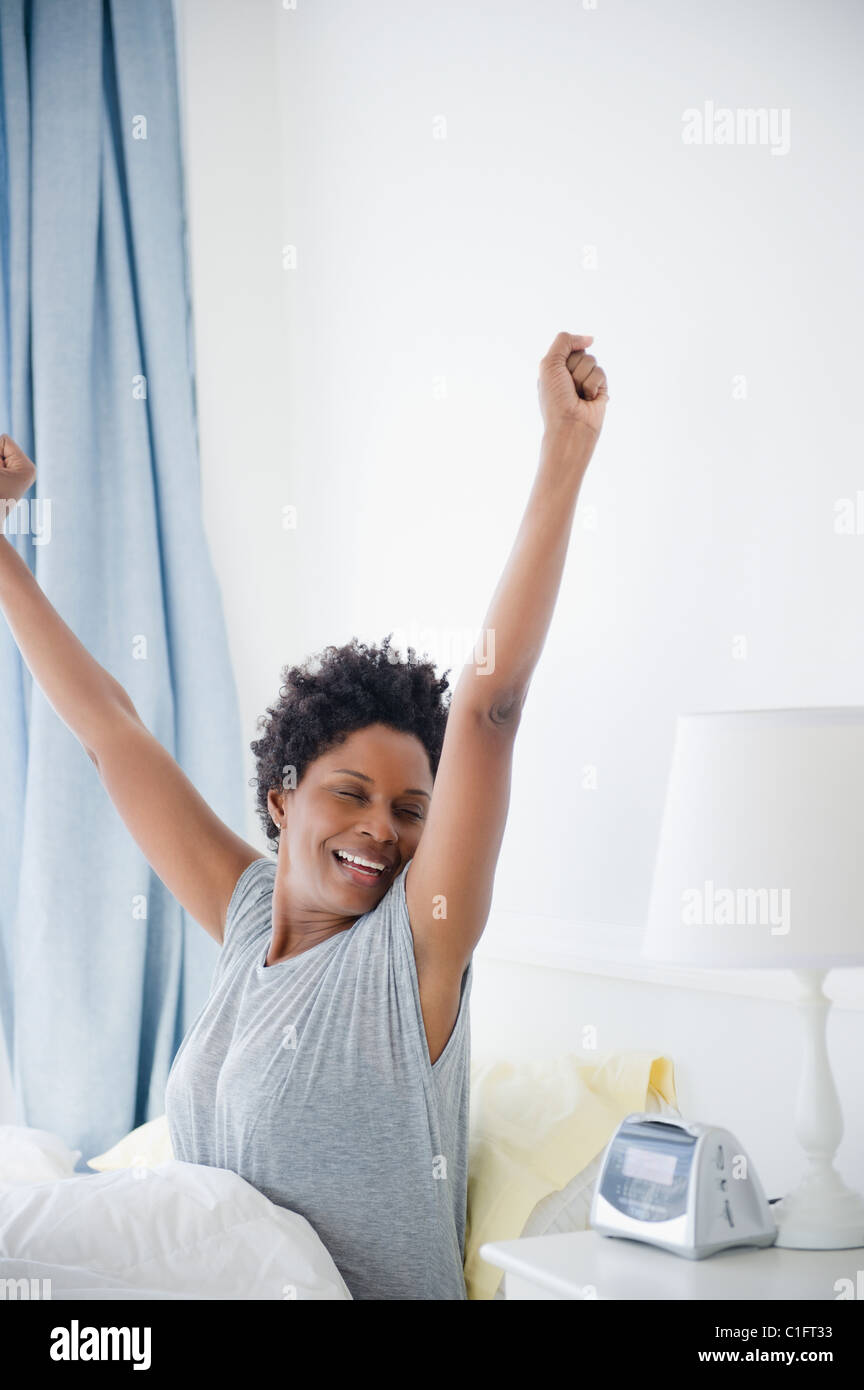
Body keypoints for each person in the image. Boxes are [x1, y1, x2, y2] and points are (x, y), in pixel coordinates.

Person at [0, 331, 609, 1298]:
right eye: (350, 793)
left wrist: (564, 447)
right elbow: (111, 732)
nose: (383, 829)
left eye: (412, 810)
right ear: (283, 799)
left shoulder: (411, 956)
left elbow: (489, 709)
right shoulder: (250, 917)